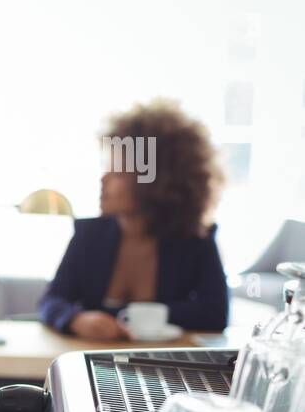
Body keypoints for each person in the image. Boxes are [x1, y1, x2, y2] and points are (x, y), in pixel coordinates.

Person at [39, 98, 230, 339]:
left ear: (157, 180)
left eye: (117, 171)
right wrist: (75, 319)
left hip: (161, 367)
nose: (103, 179)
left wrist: (139, 314)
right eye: (105, 167)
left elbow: (215, 313)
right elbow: (50, 301)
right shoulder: (89, 234)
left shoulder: (195, 240)